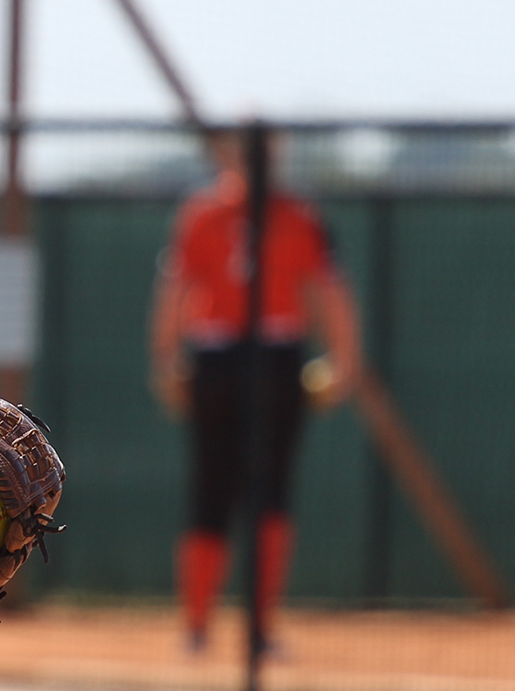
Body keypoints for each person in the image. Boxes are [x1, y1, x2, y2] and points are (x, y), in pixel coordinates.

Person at [149, 130, 363, 654]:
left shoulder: (202, 212)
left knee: (214, 494)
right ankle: (255, 633)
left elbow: (175, 292)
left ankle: (199, 629)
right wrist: (343, 359)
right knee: (267, 493)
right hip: (274, 359)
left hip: (219, 359)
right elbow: (332, 293)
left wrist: (165, 360)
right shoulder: (296, 214)